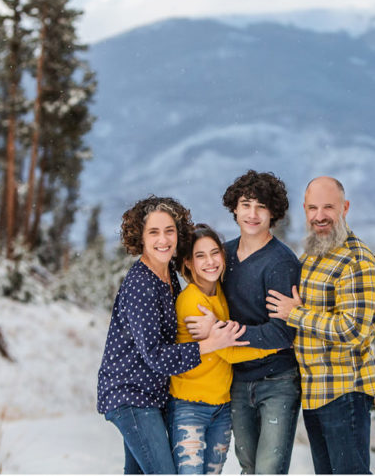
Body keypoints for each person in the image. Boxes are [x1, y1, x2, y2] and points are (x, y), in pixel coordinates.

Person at [97, 196, 248, 474]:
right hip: (130, 395)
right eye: (153, 232)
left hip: (153, 396)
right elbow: (156, 356)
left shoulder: (167, 276)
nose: (163, 239)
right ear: (140, 238)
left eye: (169, 231)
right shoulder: (141, 284)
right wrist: (209, 344)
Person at [266, 176, 375, 475]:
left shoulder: (356, 260)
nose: (320, 216)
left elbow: (353, 330)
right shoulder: (312, 254)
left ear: (345, 208)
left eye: (328, 207)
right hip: (315, 391)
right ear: (305, 210)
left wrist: (296, 314)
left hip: (344, 390)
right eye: (313, 208)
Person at [185, 170, 301, 474]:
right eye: (246, 204)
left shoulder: (281, 263)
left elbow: (282, 333)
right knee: (248, 467)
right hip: (236, 379)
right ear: (234, 208)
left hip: (277, 381)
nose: (252, 214)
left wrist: (222, 333)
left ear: (273, 212)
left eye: (261, 206)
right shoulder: (224, 257)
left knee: (268, 469)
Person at [169, 224, 280, 474]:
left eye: (214, 252)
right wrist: (274, 345)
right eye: (200, 256)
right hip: (190, 406)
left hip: (221, 406)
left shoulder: (218, 291)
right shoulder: (192, 302)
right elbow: (228, 350)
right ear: (188, 262)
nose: (210, 262)